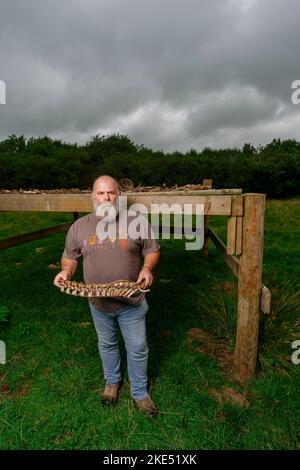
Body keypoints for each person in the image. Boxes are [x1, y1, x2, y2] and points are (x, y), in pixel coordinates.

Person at [53, 175, 160, 417]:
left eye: (110, 193)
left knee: (137, 347)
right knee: (107, 344)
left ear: (118, 196)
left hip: (131, 301)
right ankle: (112, 383)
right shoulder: (79, 227)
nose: (106, 198)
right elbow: (70, 259)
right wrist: (66, 271)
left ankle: (140, 393)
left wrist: (147, 268)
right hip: (98, 303)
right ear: (93, 196)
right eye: (101, 193)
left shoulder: (136, 221)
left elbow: (152, 250)